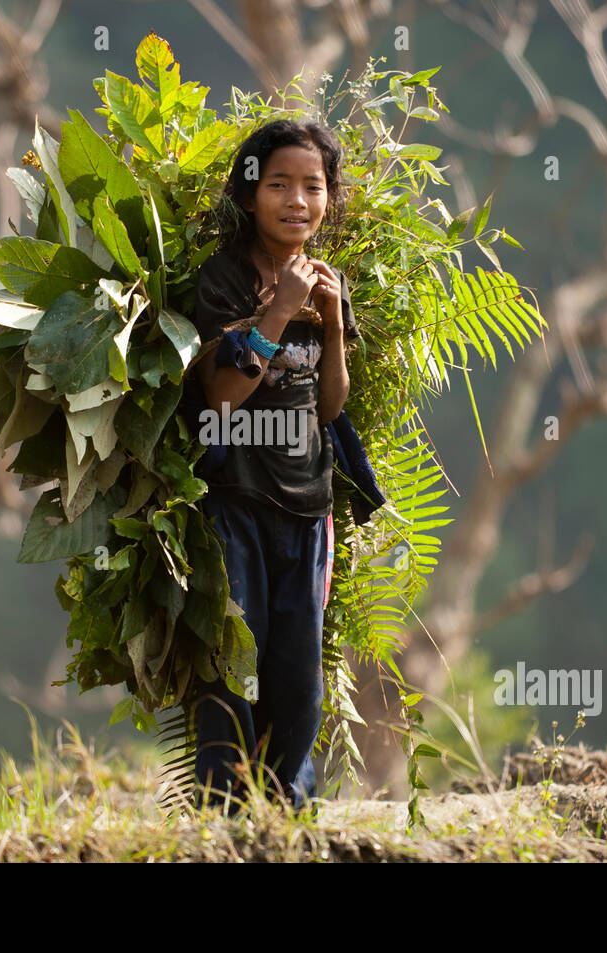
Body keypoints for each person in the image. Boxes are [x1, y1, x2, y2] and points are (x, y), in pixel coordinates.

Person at [179, 118, 363, 816]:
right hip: (234, 500)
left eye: (312, 187)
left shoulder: (328, 281)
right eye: (279, 184)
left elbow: (328, 407)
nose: (297, 200)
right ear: (250, 193)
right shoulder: (223, 278)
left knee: (298, 676)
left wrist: (333, 321)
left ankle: (285, 808)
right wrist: (283, 306)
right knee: (234, 663)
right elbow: (224, 395)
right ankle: (222, 810)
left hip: (306, 507)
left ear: (329, 200)